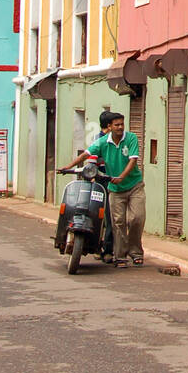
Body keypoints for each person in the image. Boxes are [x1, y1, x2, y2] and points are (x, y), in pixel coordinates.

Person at [62, 111, 145, 267]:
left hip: (134, 185)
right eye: (117, 125)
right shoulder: (101, 142)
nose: (120, 127)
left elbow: (133, 160)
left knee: (136, 219)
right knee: (117, 222)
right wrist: (68, 166)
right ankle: (120, 257)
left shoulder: (131, 138)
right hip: (115, 189)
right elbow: (86, 155)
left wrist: (121, 176)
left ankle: (136, 252)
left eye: (122, 124)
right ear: (109, 127)